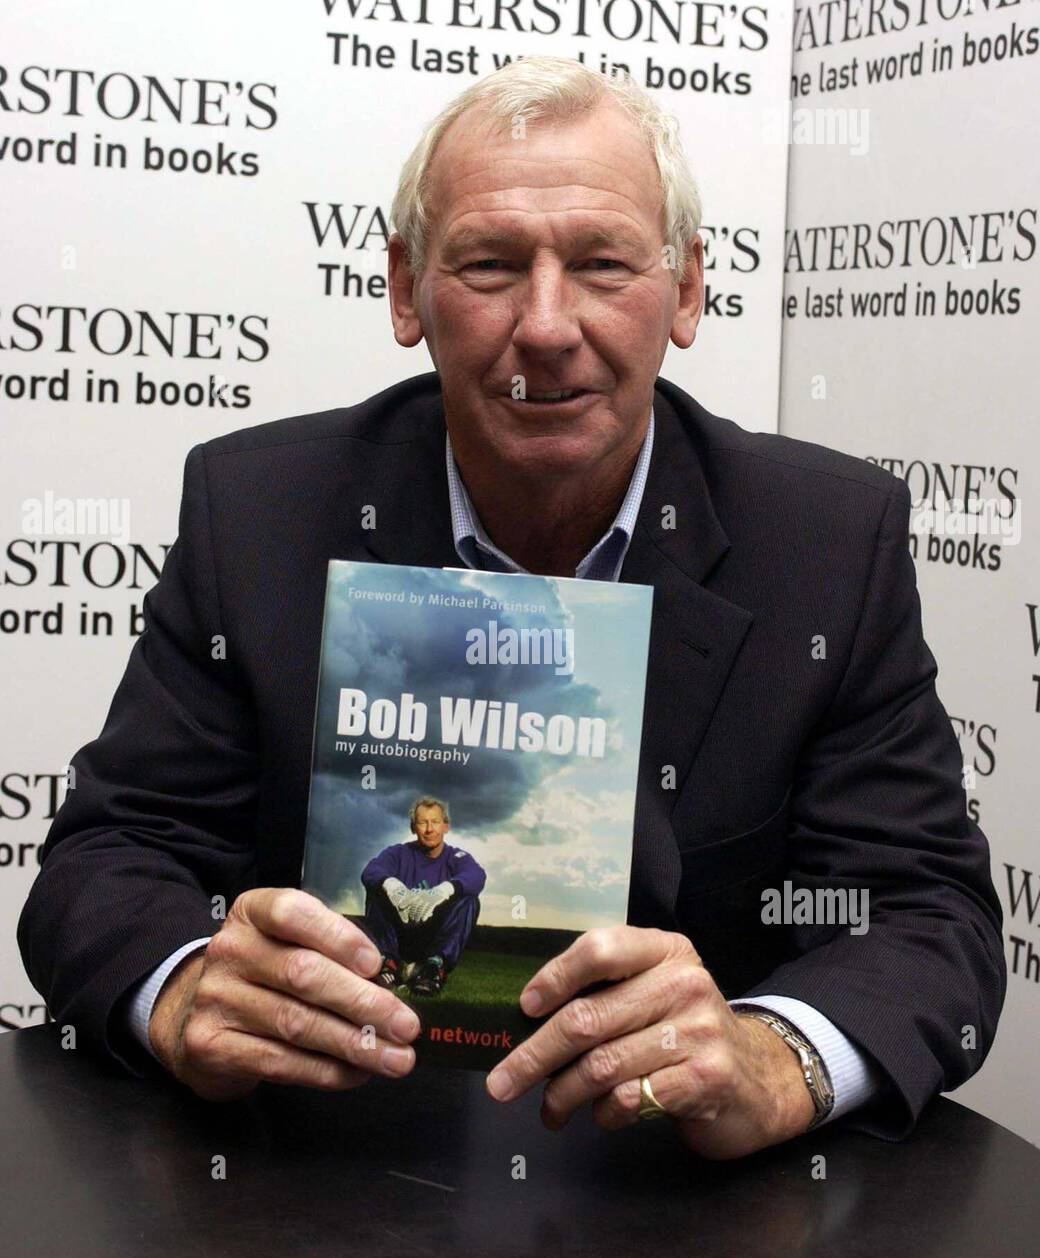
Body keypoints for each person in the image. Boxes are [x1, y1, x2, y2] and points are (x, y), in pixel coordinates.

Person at [18, 57, 1004, 1156]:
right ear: (404, 289)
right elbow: (107, 860)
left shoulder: (825, 542)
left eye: (600, 263)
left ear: (683, 292)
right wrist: (188, 986)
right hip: (325, 1170)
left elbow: (926, 914)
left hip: (682, 1193)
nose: (545, 325)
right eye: (488, 264)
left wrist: (776, 1057)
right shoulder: (256, 512)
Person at [358, 797, 485, 995]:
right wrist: (392, 886)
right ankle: (387, 963)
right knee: (376, 888)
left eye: (435, 822)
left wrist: (444, 890)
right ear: (413, 827)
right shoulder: (398, 853)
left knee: (469, 900)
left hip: (432, 937)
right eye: (422, 822)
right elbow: (370, 871)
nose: (429, 829)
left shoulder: (456, 857)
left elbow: (477, 876)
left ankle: (434, 968)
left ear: (446, 827)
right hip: (399, 934)